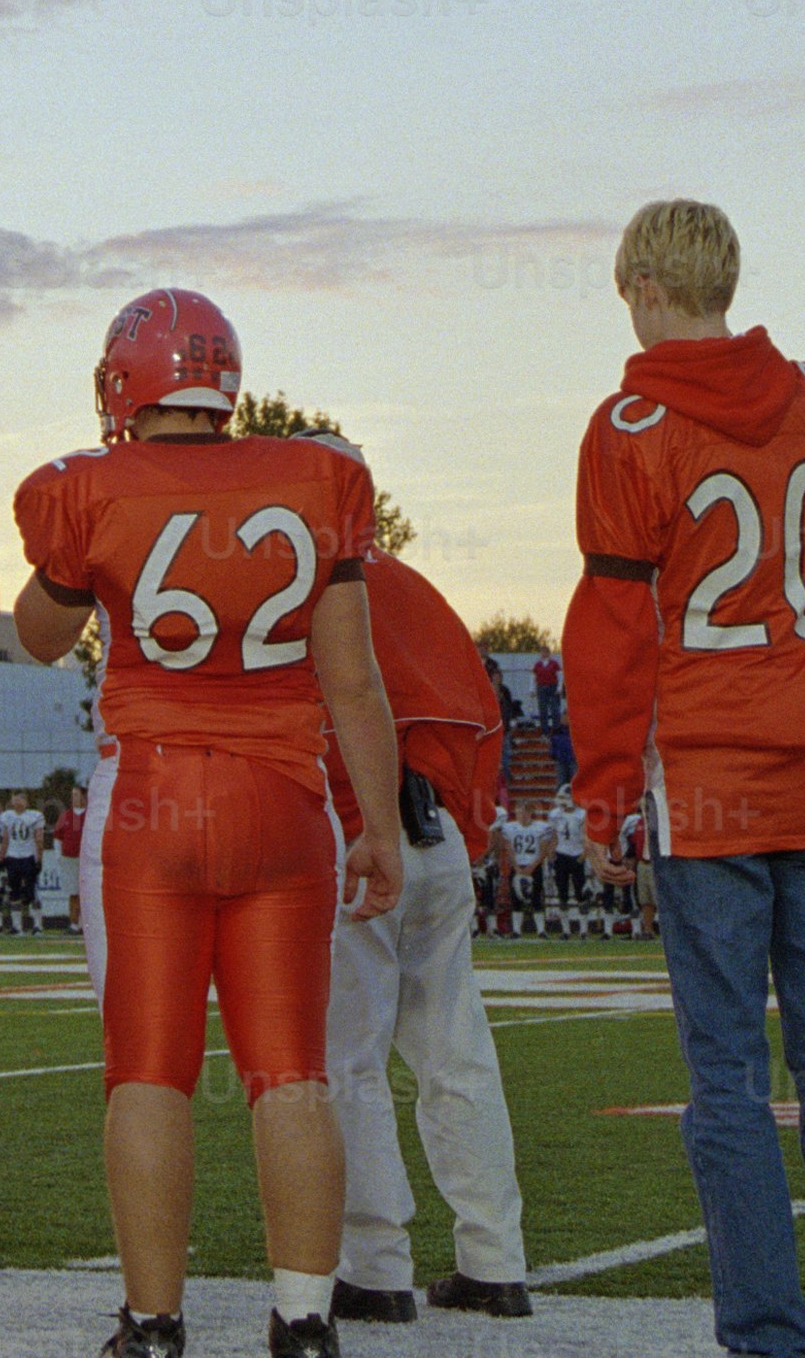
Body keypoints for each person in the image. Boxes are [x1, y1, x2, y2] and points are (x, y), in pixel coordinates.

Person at [14, 290, 402, 1358]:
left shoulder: (85, 488)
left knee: (148, 1070)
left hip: (153, 798)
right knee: (290, 1071)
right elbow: (356, 682)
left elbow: (38, 638)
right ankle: (305, 1320)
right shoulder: (315, 478)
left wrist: (76, 566)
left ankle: (152, 1324)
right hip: (286, 797)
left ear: (123, 385)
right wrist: (377, 825)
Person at [563, 198, 805, 1358]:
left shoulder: (630, 423)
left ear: (646, 287)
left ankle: (764, 1333)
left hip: (707, 778)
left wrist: (603, 795)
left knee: (731, 1079)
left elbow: (609, 635)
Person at [321, 529, 530, 1324]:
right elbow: (485, 725)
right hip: (435, 832)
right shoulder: (420, 589)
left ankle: (374, 1267)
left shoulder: (300, 574)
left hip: (352, 830)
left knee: (350, 1060)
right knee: (457, 1055)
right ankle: (495, 1261)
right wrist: (461, 840)